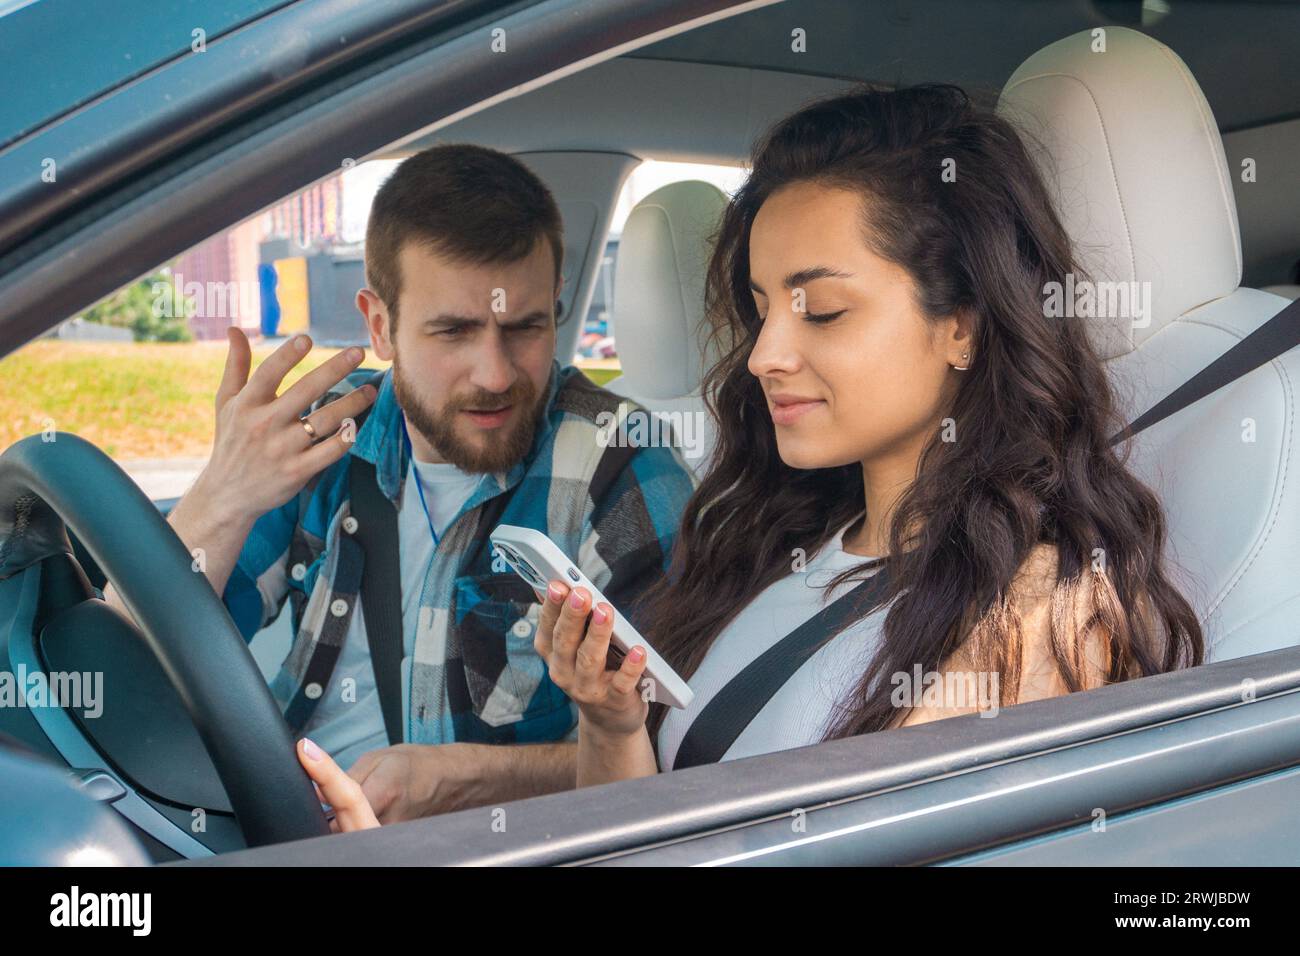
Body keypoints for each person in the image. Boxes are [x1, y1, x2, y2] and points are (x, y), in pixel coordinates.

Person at [304, 85, 1204, 829]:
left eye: (821, 311)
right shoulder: (779, 543)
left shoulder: (1038, 611)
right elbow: (647, 834)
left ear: (963, 322)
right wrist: (612, 721)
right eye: (762, 305)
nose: (766, 351)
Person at [107, 144, 696, 822]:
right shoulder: (322, 437)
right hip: (274, 818)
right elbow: (126, 657)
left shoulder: (621, 468)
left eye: (526, 328)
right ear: (380, 324)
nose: (495, 373)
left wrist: (467, 781)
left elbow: (662, 747)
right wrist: (224, 493)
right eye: (453, 331)